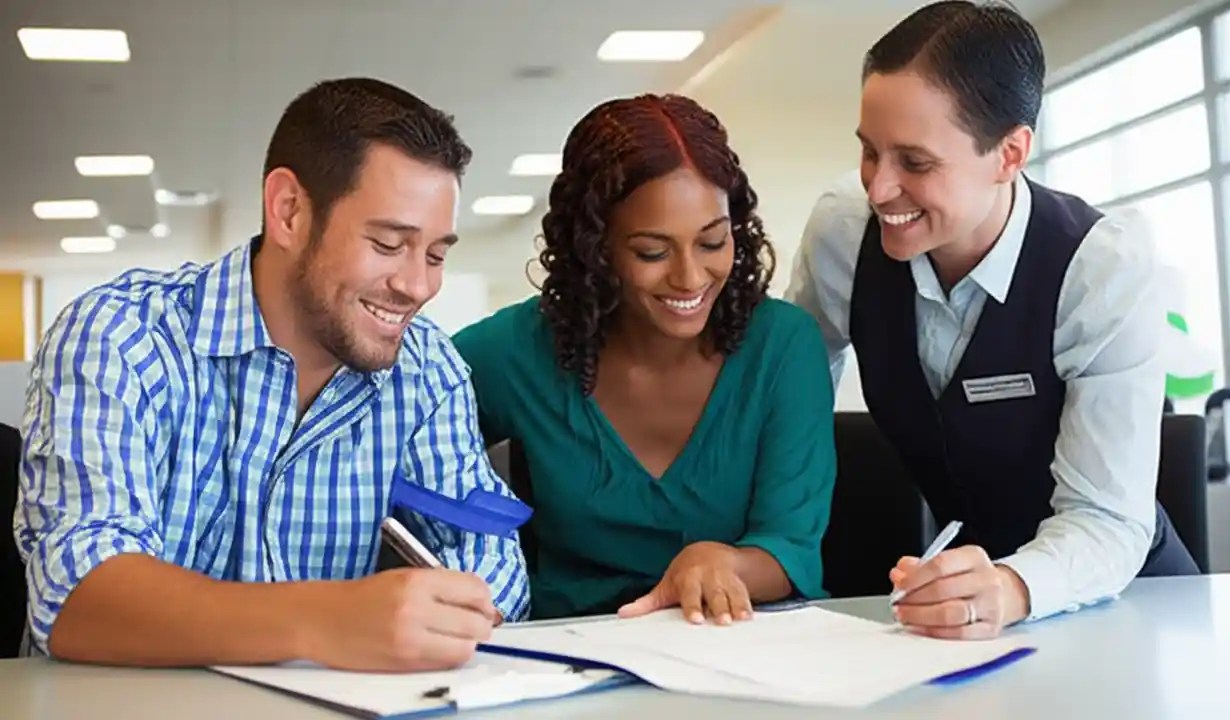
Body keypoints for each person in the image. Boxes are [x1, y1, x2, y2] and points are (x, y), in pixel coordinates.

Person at [14, 78, 528, 669]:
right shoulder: (122, 337)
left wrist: (458, 606)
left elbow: (492, 558)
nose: (418, 286)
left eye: (436, 255)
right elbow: (78, 595)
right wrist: (325, 619)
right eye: (389, 244)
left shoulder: (426, 370)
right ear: (289, 212)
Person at [786, 1, 1198, 640]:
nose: (878, 188)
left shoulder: (1102, 267)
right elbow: (792, 390)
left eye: (915, 163)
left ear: (1009, 153)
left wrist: (1009, 587)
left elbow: (1109, 520)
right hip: (978, 614)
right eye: (870, 152)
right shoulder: (844, 233)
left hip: (1134, 607)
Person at [453, 94, 836, 624]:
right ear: (595, 247)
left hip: (732, 647)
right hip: (562, 654)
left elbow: (792, 548)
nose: (689, 277)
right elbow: (394, 420)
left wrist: (718, 561)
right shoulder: (515, 352)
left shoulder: (782, 345)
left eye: (712, 242)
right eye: (652, 252)